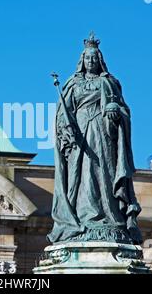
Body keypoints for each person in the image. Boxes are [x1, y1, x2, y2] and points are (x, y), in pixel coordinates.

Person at [47, 32, 143, 245]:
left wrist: (114, 110)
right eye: (87, 58)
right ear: (82, 60)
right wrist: (66, 132)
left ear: (99, 60)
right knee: (81, 178)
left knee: (104, 174)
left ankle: (109, 217)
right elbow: (63, 114)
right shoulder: (72, 84)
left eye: (94, 58)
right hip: (79, 136)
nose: (90, 61)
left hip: (103, 134)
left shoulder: (108, 82)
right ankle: (82, 218)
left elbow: (124, 109)